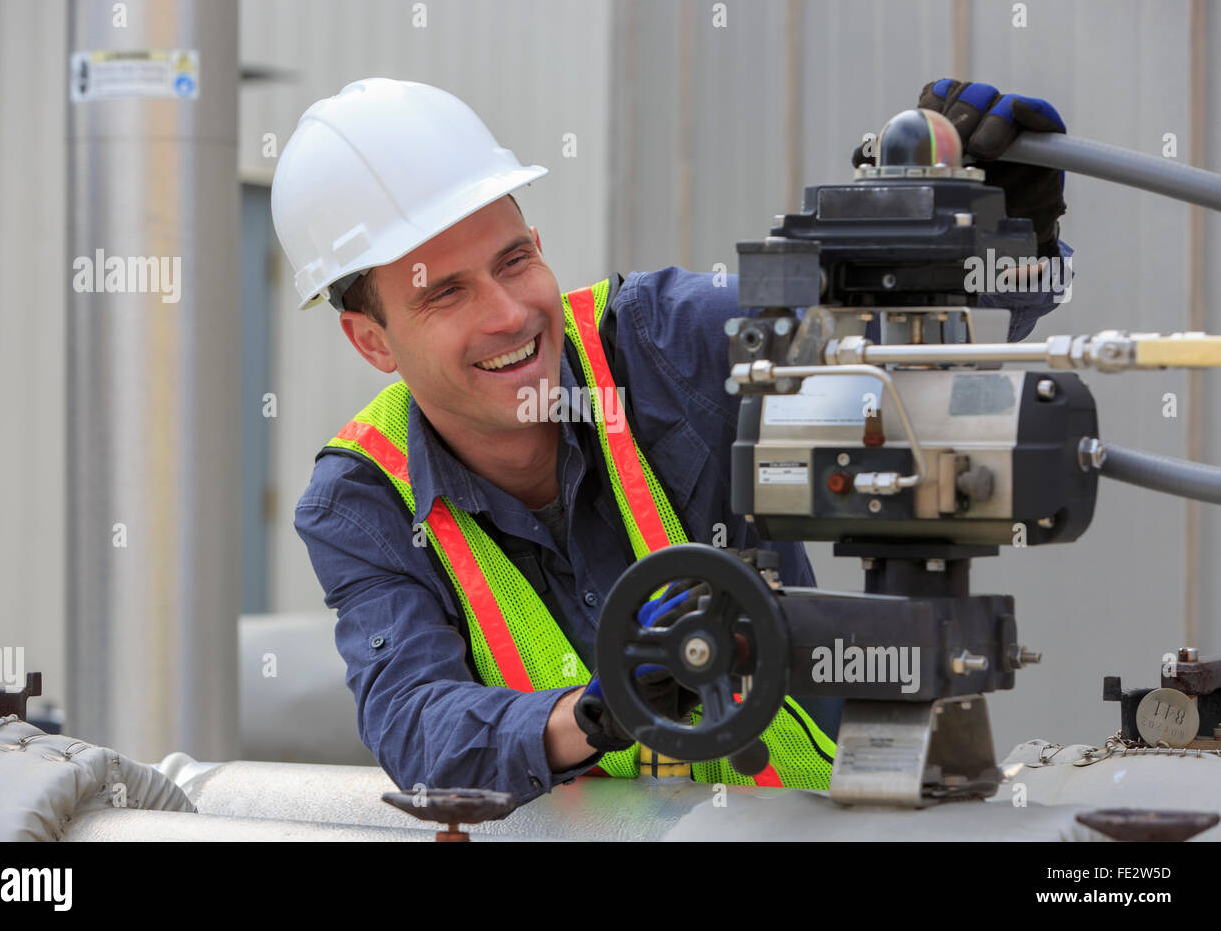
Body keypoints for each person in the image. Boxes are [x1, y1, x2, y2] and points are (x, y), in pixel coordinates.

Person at [272, 77, 1073, 808]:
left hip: (814, 827)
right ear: (371, 340)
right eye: (445, 293)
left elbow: (884, 339)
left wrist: (1000, 246)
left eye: (514, 261)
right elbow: (419, 727)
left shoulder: (666, 345)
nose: (508, 314)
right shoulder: (364, 497)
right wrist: (605, 708)